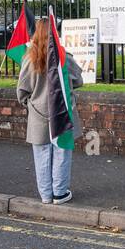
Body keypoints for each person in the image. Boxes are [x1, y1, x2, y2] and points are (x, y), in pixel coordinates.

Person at [17, 19, 85, 204]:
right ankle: (60, 192)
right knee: (62, 152)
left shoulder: (29, 58)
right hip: (62, 111)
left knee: (42, 154)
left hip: (38, 113)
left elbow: (22, 91)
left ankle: (46, 195)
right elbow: (79, 80)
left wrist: (31, 105)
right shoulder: (64, 56)